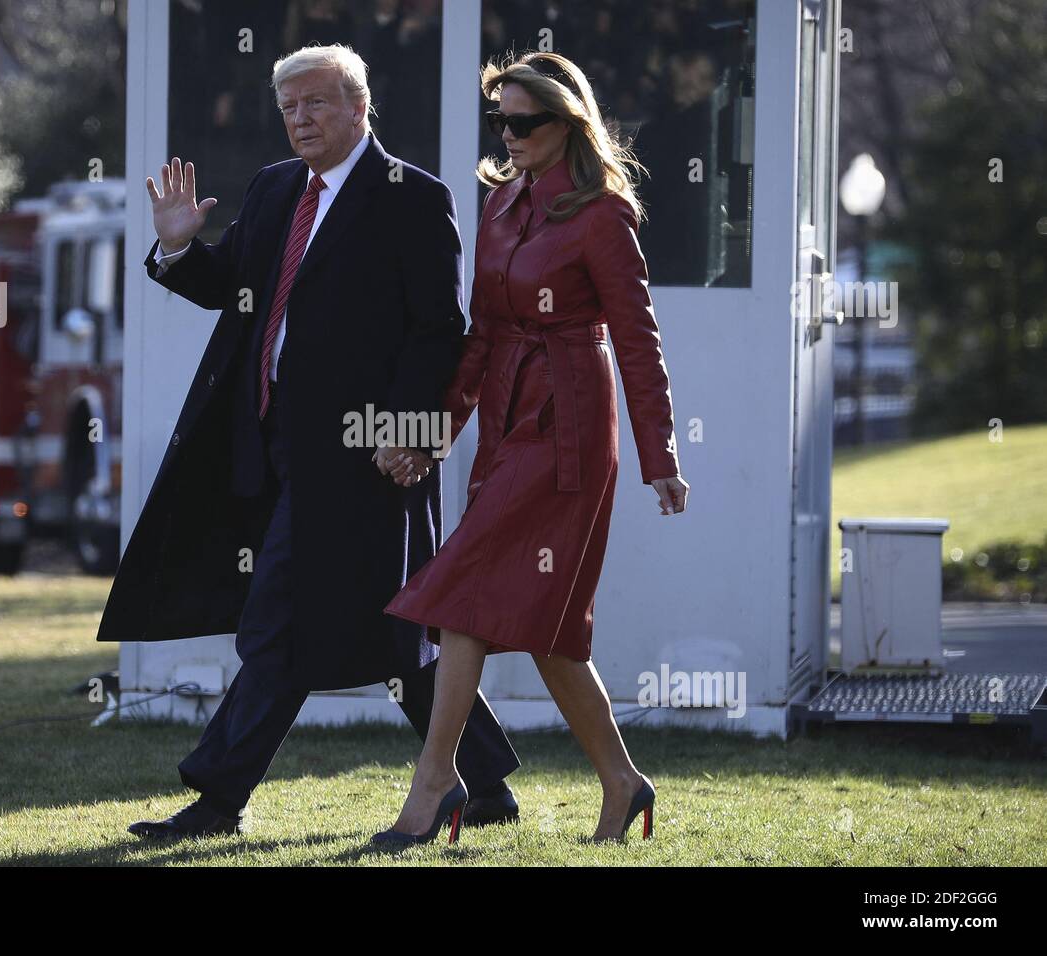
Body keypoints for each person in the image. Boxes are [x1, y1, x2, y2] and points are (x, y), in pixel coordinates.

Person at [95, 43, 521, 840]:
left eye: (316, 103)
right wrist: (182, 246)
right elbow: (233, 290)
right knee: (392, 622)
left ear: (360, 107)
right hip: (270, 440)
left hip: (368, 451)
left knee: (281, 618)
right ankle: (485, 779)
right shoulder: (273, 186)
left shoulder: (411, 196)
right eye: (288, 106)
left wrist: (407, 432)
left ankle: (217, 797)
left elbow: (440, 331)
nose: (300, 119)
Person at [375, 51, 690, 847]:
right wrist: (432, 436)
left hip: (570, 432)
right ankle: (623, 782)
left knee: (461, 589)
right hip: (506, 421)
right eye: (501, 122)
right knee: (546, 629)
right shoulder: (504, 201)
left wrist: (662, 458)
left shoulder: (602, 212)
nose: (509, 135)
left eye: (526, 122)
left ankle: (437, 779)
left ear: (567, 123)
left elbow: (638, 341)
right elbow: (482, 336)